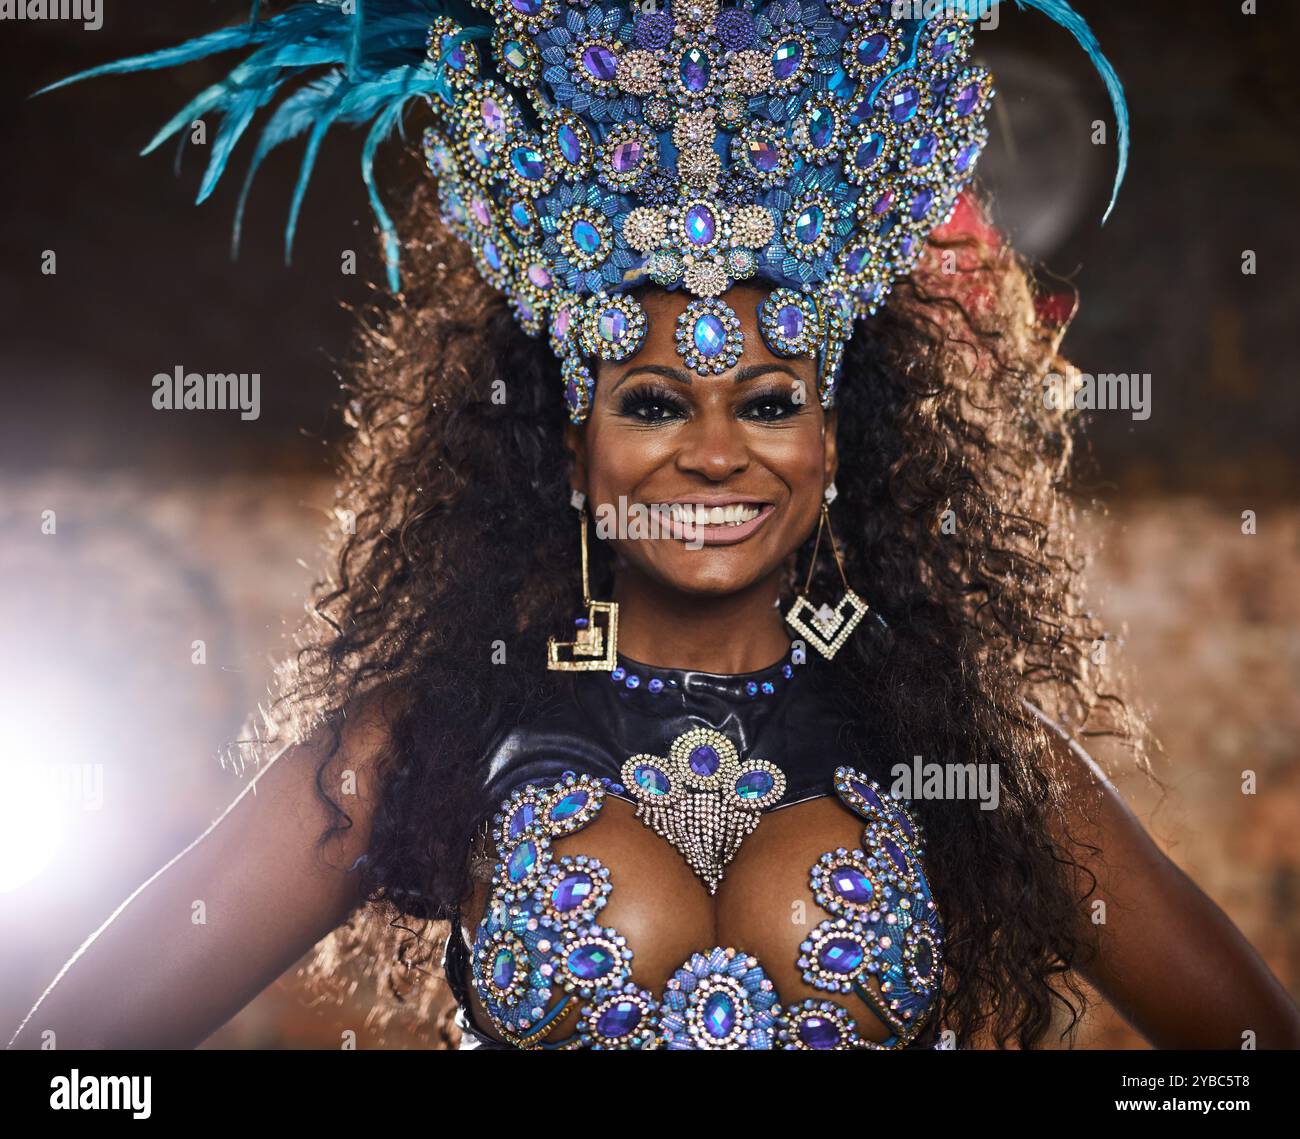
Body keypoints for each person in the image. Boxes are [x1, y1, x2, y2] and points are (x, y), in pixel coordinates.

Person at [10, 0, 1300, 1051]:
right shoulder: (431, 727)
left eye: (771, 397)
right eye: (652, 399)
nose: (717, 447)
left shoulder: (966, 741)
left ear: (839, 439)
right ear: (571, 447)